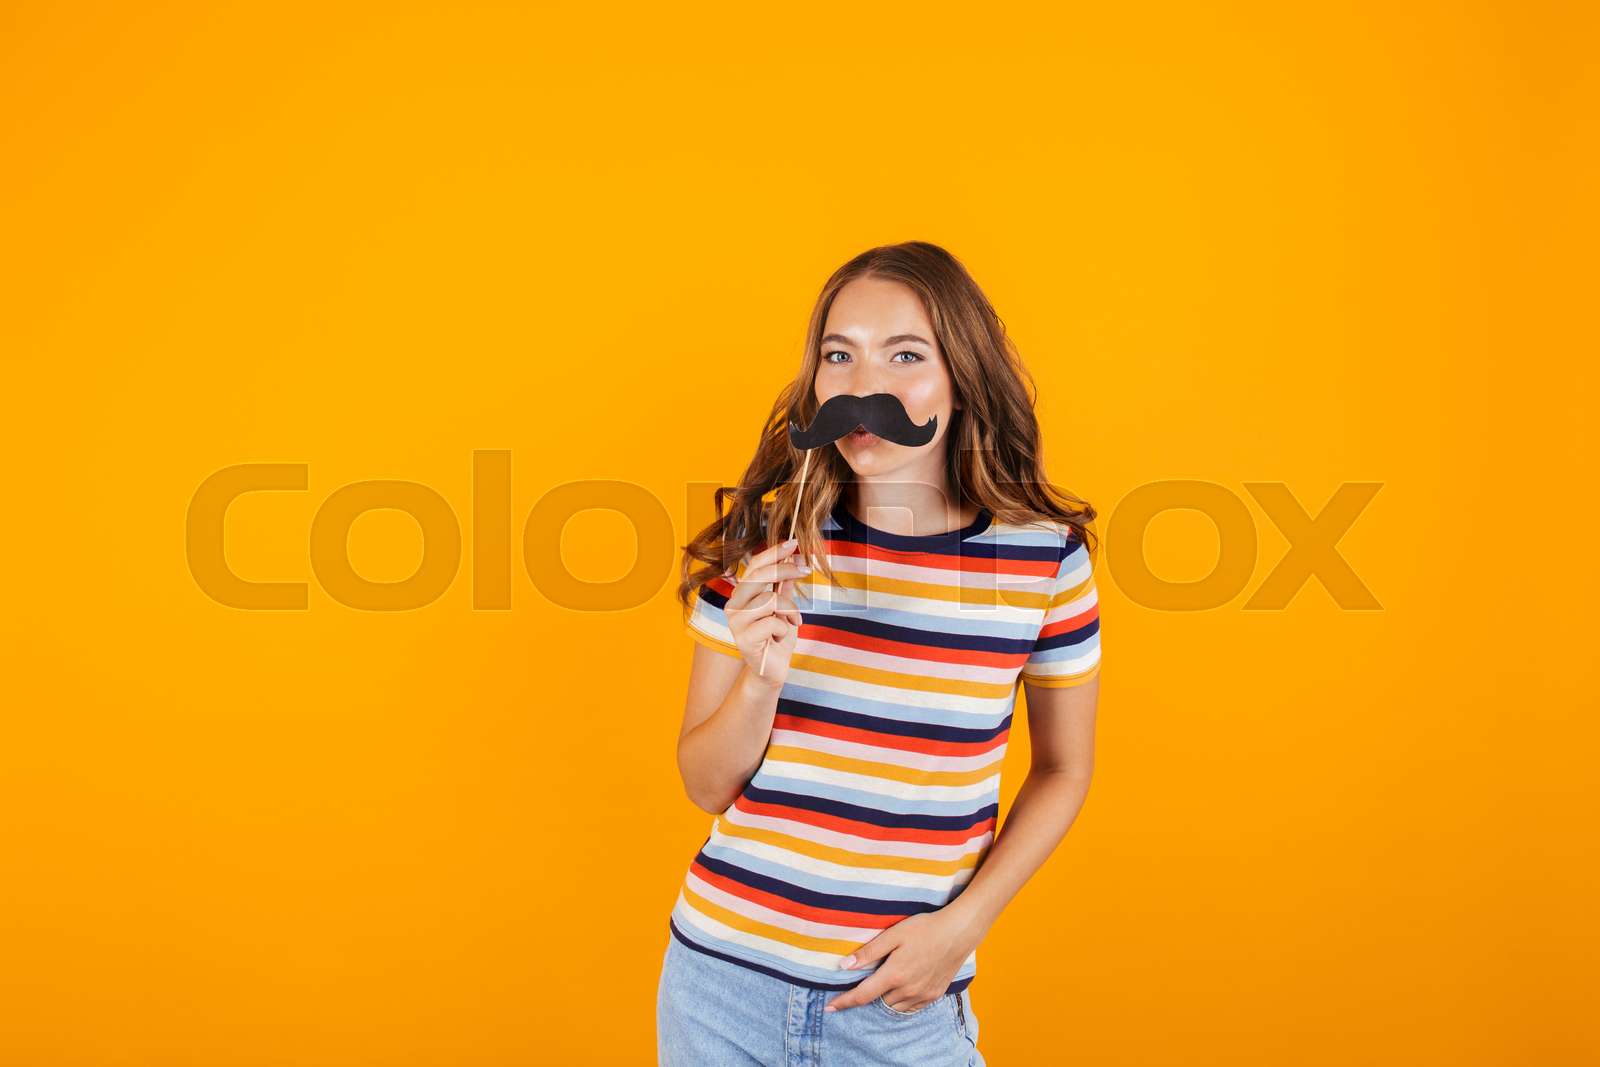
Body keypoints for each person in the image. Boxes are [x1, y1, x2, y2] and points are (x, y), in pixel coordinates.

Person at [659, 241, 1103, 1066]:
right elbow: (703, 782)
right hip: (719, 988)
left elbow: (1064, 769)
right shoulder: (765, 545)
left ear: (961, 378)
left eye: (905, 354)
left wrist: (961, 928)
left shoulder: (1043, 559)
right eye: (840, 355)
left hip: (902, 1006)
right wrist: (760, 679)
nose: (865, 388)